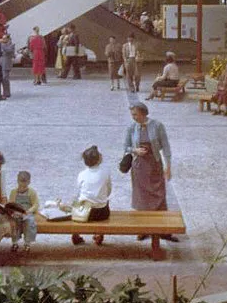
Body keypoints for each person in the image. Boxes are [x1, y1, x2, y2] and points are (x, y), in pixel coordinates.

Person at [123, 103, 176, 241]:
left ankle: (163, 229)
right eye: (132, 115)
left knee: (159, 195)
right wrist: (135, 150)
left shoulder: (157, 126)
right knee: (142, 198)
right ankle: (143, 228)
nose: (133, 117)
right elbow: (126, 147)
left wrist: (168, 166)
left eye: (135, 114)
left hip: (154, 165)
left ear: (143, 113)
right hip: (139, 166)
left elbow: (166, 146)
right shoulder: (132, 127)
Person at [70, 145, 112, 247]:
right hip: (102, 212)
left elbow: (78, 191)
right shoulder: (105, 173)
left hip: (85, 212)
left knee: (77, 205)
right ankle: (99, 234)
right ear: (99, 159)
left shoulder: (82, 174)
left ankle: (76, 234)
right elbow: (108, 191)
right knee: (104, 203)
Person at [8, 171, 39, 252]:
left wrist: (29, 211)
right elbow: (11, 204)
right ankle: (15, 242)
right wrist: (14, 212)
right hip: (16, 212)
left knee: (29, 222)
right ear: (17, 181)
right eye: (21, 181)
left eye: (25, 182)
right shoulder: (13, 192)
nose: (22, 184)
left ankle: (27, 243)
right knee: (14, 222)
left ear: (29, 182)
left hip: (27, 212)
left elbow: (35, 204)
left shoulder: (32, 192)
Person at [0, 34, 14, 98]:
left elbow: (8, 50)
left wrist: (2, 44)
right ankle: (5, 92)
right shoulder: (3, 45)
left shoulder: (11, 45)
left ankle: (6, 93)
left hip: (6, 64)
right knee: (3, 79)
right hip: (1, 63)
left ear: (8, 39)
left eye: (4, 38)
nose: (3, 40)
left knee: (5, 78)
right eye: (3, 38)